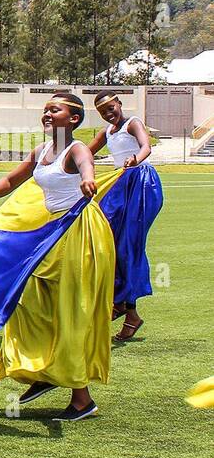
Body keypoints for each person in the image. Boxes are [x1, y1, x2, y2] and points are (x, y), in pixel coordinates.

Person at [0, 92, 113, 421]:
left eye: (54, 110)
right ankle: (43, 373)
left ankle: (82, 399)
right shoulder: (42, 151)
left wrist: (87, 180)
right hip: (53, 232)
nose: (46, 115)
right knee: (29, 298)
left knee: (69, 310)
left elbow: (88, 166)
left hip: (80, 232)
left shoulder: (76, 149)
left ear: (72, 119)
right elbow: (13, 179)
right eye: (45, 110)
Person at [86, 91, 162, 342]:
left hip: (141, 183)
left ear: (119, 104)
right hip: (120, 184)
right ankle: (129, 311)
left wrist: (134, 159)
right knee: (110, 244)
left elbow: (146, 147)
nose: (109, 113)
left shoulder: (133, 123)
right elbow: (85, 153)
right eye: (103, 111)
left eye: (111, 107)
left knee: (129, 246)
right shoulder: (106, 132)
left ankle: (122, 305)